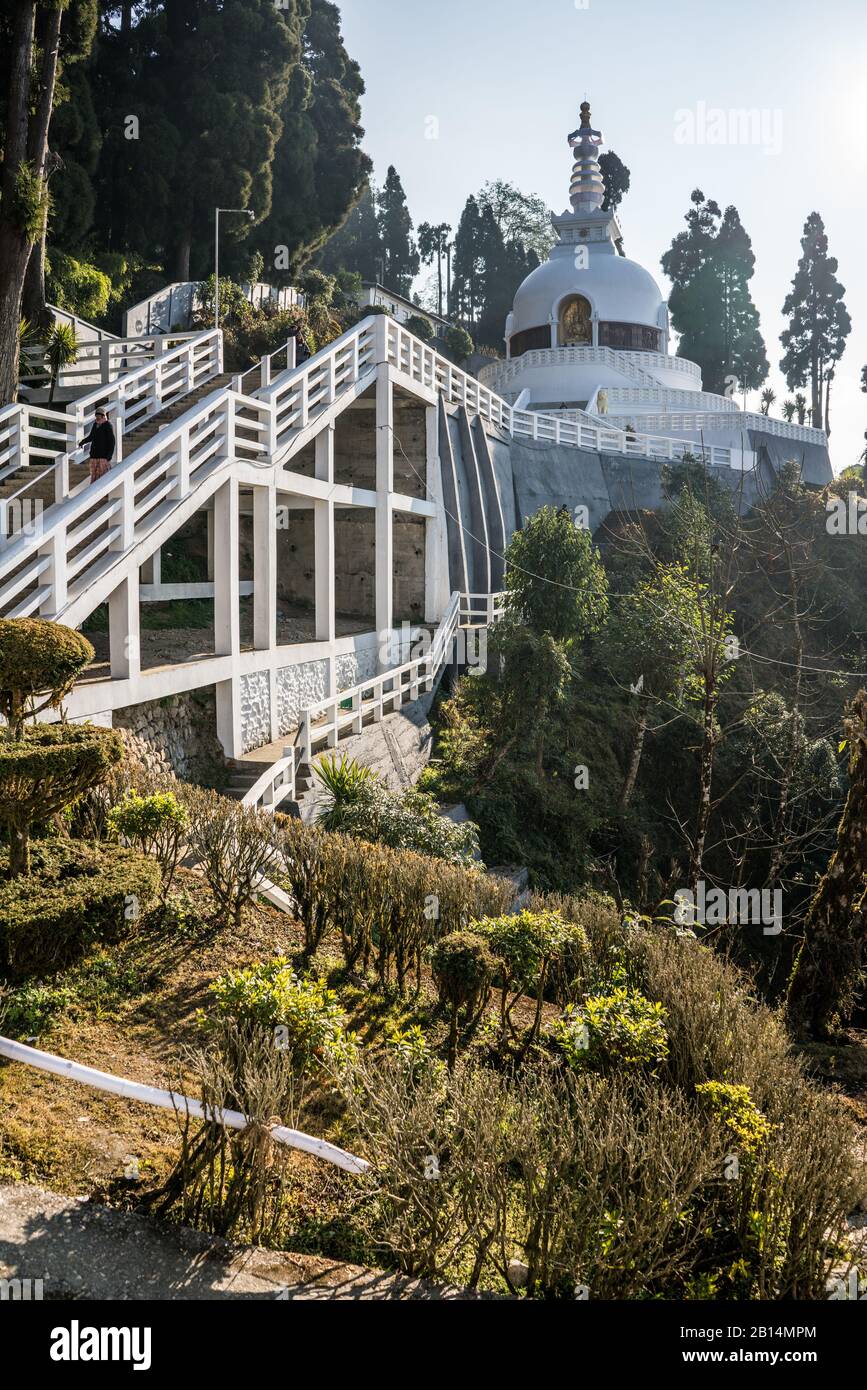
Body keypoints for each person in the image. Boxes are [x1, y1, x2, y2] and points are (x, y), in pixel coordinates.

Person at [82, 407, 116, 483]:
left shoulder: (108, 425)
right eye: (96, 416)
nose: (97, 417)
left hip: (103, 457)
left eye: (98, 416)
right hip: (94, 455)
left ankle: (105, 494)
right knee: (94, 477)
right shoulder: (95, 425)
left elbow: (112, 442)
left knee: (103, 478)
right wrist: (83, 442)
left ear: (103, 416)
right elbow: (91, 437)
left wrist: (109, 456)